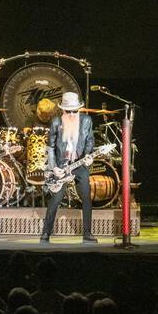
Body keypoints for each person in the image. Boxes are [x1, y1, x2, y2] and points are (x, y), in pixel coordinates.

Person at [40, 92, 97, 243]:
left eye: (74, 111)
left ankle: (87, 233)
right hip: (61, 166)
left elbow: (90, 140)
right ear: (63, 110)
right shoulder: (56, 122)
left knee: (86, 198)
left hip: (79, 164)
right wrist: (53, 168)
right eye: (68, 111)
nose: (72, 114)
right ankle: (46, 233)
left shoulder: (86, 120)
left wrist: (88, 156)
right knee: (56, 199)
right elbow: (50, 147)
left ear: (79, 109)